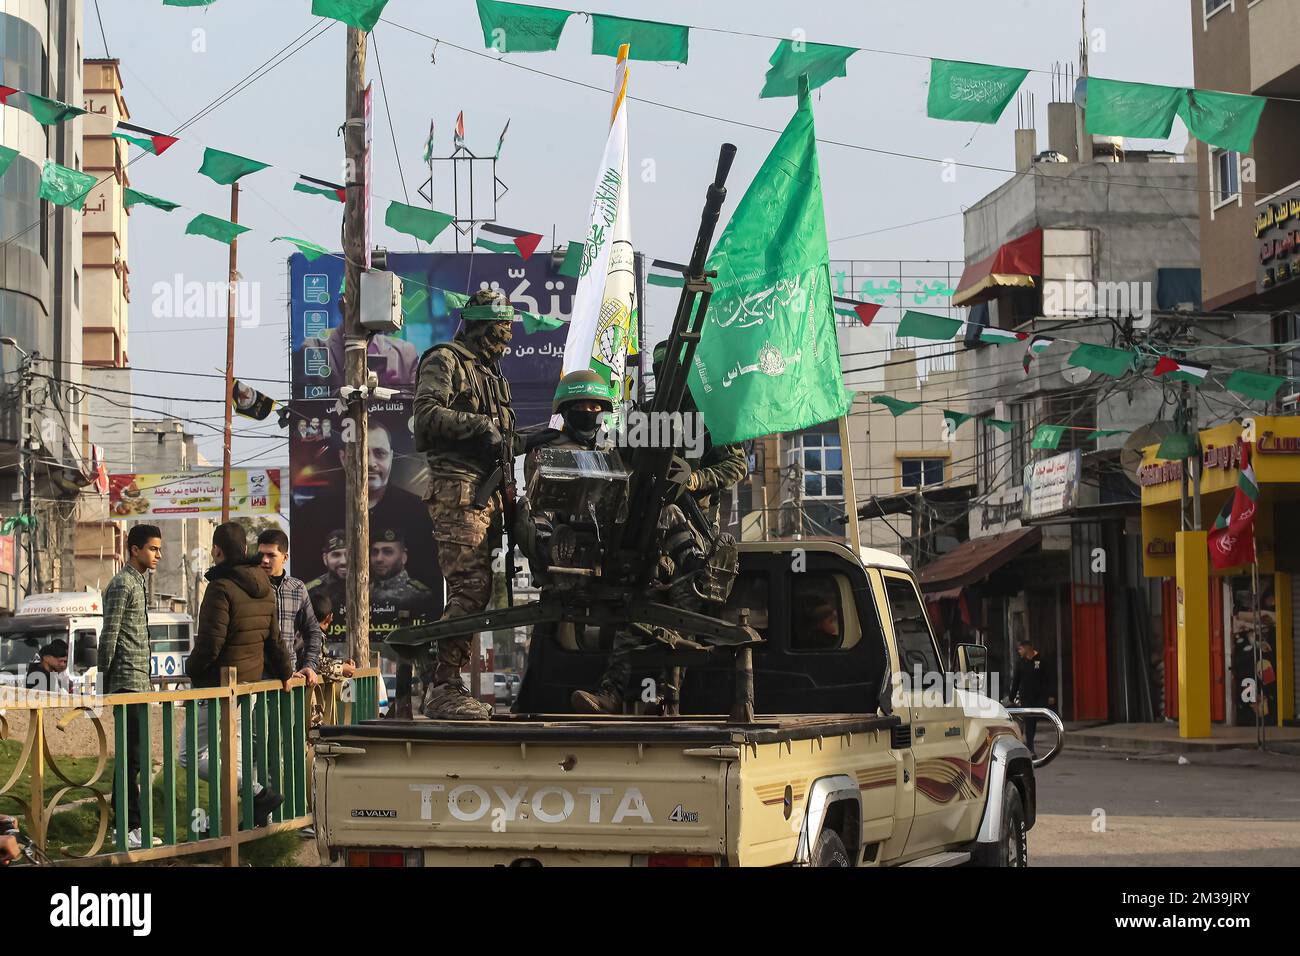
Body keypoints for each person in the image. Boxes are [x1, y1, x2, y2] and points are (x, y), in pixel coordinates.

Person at [413, 287, 516, 719]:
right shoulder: (446, 360)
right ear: (476, 325)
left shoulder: (493, 376)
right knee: (469, 588)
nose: (504, 338)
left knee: (482, 593)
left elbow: (504, 438)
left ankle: (440, 673)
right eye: (497, 330)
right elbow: (425, 416)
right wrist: (480, 425)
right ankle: (442, 686)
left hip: (488, 491)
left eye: (507, 331)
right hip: (457, 488)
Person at [185, 522, 294, 825]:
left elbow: (210, 645)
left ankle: (259, 795)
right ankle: (236, 823)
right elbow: (274, 639)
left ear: (216, 551)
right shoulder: (263, 584)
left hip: (218, 686)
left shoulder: (220, 588)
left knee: (190, 756)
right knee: (236, 757)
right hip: (251, 685)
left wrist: (190, 671)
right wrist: (286, 673)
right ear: (245, 550)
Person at [98, 523, 163, 851]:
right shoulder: (123, 583)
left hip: (139, 682)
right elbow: (109, 636)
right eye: (152, 548)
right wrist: (101, 684)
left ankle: (124, 825)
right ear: (134, 549)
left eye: (159, 549)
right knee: (131, 759)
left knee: (132, 758)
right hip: (125, 684)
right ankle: (129, 827)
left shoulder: (137, 583)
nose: (158, 555)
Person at [256, 528, 323, 684]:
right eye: (261, 555)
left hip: (290, 677)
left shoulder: (297, 588)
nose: (264, 560)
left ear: (285, 557)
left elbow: (313, 631)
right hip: (257, 679)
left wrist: (309, 665)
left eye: (271, 555)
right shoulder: (250, 587)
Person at [1009, 639, 1049, 755]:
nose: (1019, 651)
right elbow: (1016, 680)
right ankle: (1030, 747)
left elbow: (1046, 679)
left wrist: (1049, 695)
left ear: (1027, 648)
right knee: (1029, 722)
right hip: (1025, 697)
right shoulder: (1021, 662)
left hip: (1038, 697)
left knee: (1033, 721)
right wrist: (1012, 696)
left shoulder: (1041, 660)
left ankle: (1029, 746)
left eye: (1020, 649)